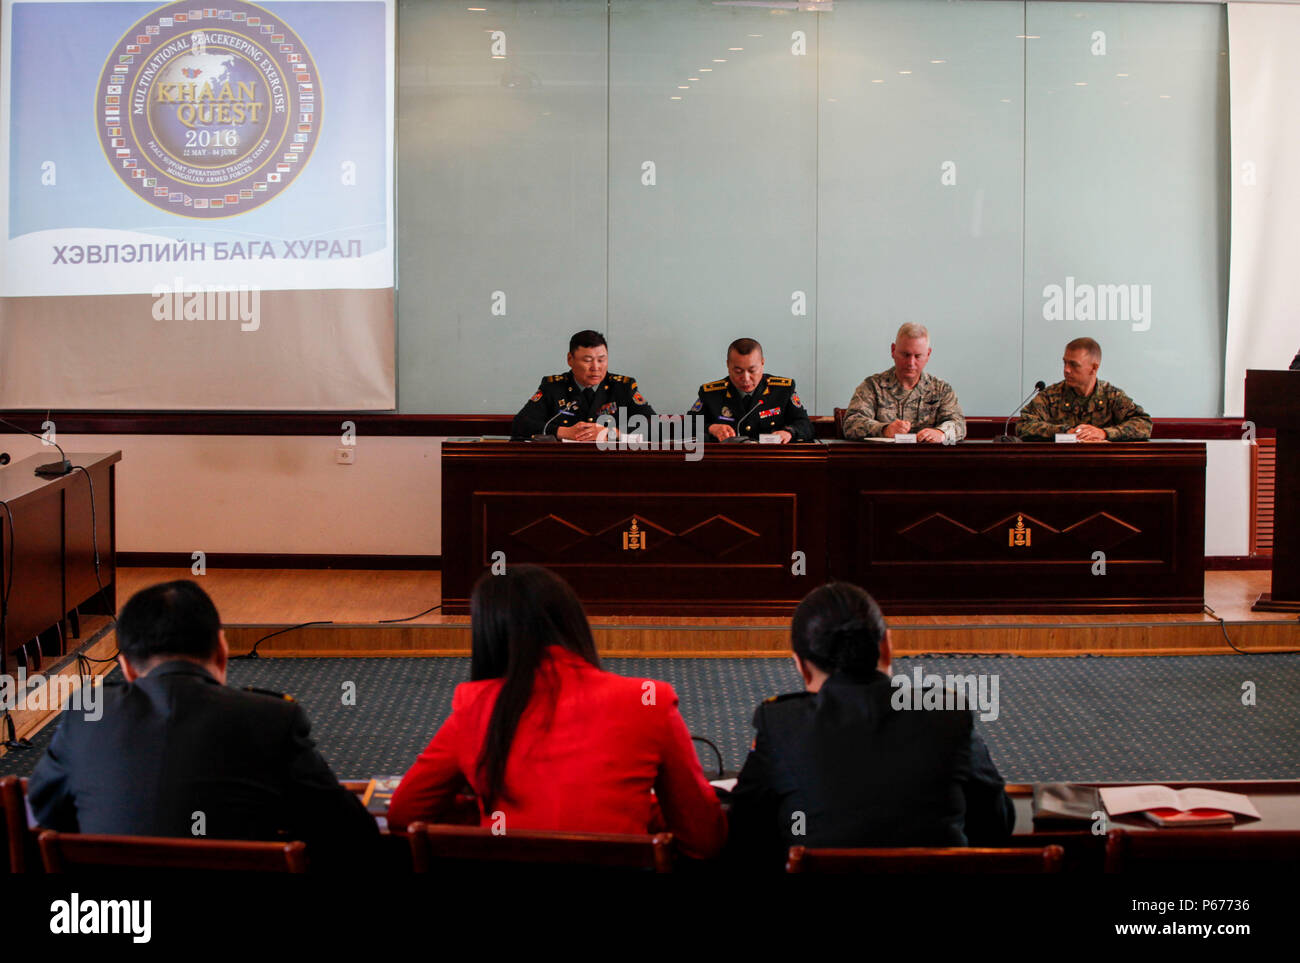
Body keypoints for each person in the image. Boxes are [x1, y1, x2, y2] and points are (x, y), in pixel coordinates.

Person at [27, 580, 378, 868]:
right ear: (222, 651)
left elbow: (47, 814)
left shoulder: (85, 715)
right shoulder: (272, 718)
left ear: (127, 668)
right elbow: (350, 835)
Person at [387, 565, 727, 859]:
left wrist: (483, 817)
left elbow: (404, 814)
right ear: (573, 620)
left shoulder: (474, 704)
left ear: (488, 634)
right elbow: (703, 840)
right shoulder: (648, 699)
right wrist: (640, 810)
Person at [725, 581, 1015, 870]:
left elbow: (745, 835)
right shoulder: (946, 713)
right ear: (886, 646)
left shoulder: (781, 725)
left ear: (800, 664)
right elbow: (996, 825)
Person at [511, 330, 656, 440]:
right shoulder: (553, 387)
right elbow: (520, 424)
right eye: (587, 360)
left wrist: (611, 433)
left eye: (601, 360)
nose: (595, 367)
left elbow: (656, 427)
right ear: (570, 359)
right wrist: (562, 431)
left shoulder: (622, 387)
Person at [842, 323, 966, 443]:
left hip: (928, 460)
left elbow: (958, 424)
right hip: (882, 460)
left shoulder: (941, 390)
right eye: (906, 355)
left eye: (917, 356)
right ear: (893, 350)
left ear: (928, 355)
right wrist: (884, 429)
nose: (911, 363)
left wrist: (941, 433)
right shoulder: (873, 387)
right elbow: (851, 423)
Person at [1016, 337, 1152, 441]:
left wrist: (1104, 433)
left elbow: (1144, 424)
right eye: (1065, 362)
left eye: (1074, 365)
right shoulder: (1051, 396)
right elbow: (1023, 425)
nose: (1066, 370)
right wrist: (1066, 432)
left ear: (1094, 368)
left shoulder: (1111, 396)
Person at [691, 338, 813, 443]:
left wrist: (789, 432)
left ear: (762, 363)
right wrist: (711, 428)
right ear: (728, 365)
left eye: (752, 370)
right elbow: (687, 426)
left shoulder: (782, 390)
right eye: (738, 371)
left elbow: (805, 425)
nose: (746, 378)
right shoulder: (711, 393)